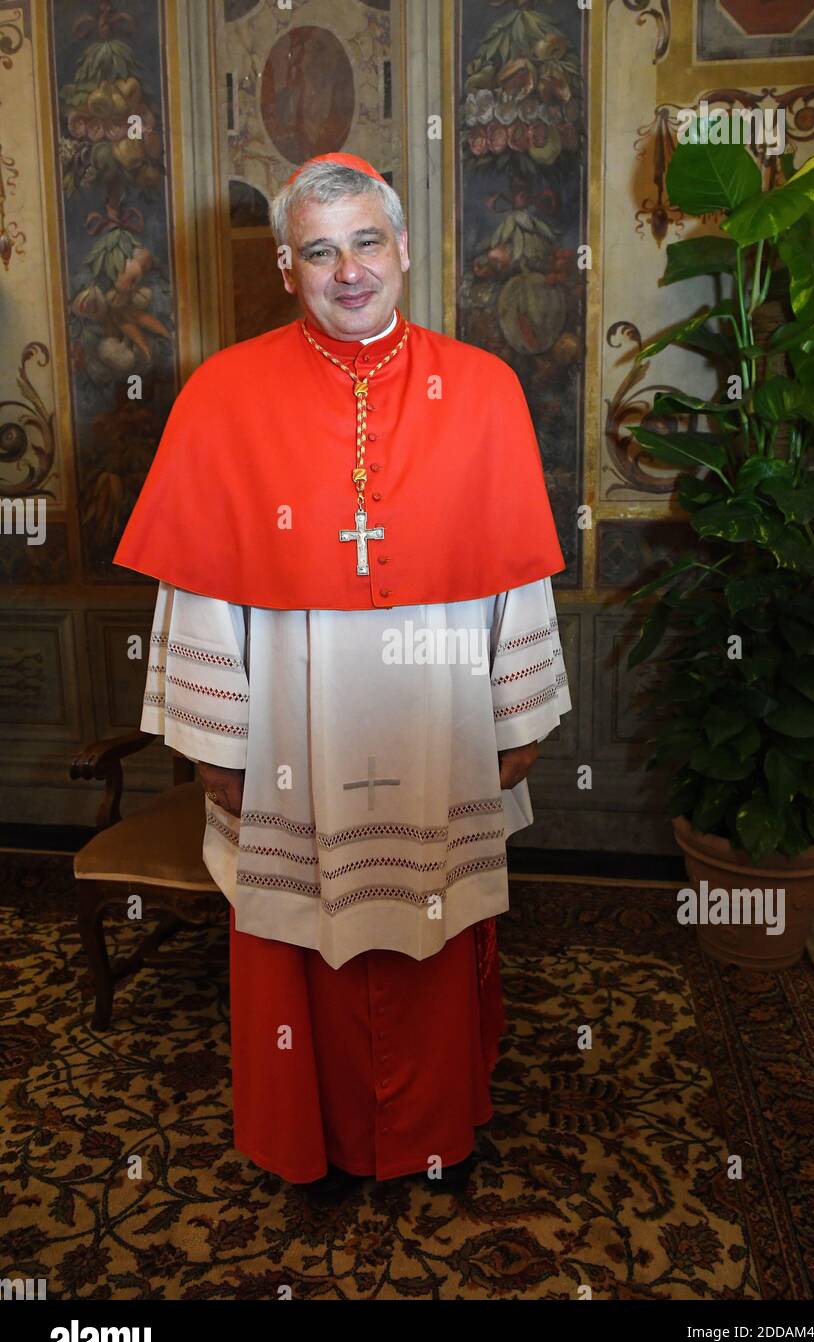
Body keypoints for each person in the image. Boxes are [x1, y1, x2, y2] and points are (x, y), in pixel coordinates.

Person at [114, 152, 571, 1197]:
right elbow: (198, 592)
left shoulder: (486, 390)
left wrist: (519, 716)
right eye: (320, 250)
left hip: (438, 724)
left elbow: (516, 574)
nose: (349, 269)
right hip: (289, 732)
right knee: (295, 936)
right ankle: (305, 1137)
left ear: (404, 249)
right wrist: (215, 747)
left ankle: (432, 1125)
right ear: (287, 267)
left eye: (367, 241)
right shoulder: (224, 395)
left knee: (434, 927)